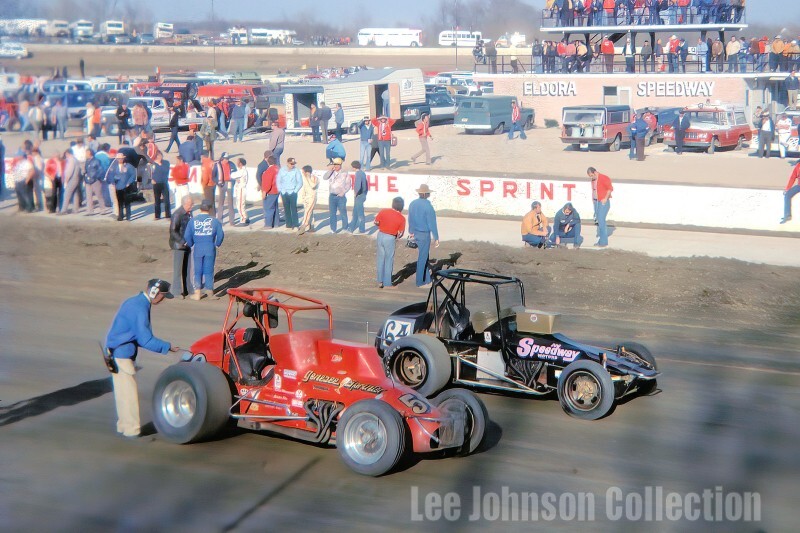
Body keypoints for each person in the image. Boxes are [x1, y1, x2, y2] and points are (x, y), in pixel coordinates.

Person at [104, 279, 179, 438]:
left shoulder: (133, 301)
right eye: (163, 296)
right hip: (123, 354)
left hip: (114, 352)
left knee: (122, 392)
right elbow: (145, 340)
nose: (163, 299)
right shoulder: (140, 308)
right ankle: (131, 429)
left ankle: (124, 425)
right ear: (155, 292)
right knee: (129, 394)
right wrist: (167, 347)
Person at [184, 200, 224, 300]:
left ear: (200, 208)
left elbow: (187, 235)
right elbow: (221, 234)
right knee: (209, 270)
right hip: (210, 248)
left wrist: (191, 243)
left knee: (198, 271)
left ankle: (197, 293)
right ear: (209, 209)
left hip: (198, 248)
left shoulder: (193, 221)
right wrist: (217, 244)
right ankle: (210, 292)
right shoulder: (214, 221)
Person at [408, 184, 439, 288]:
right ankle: (420, 282)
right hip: (424, 234)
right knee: (422, 258)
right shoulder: (428, 206)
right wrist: (436, 237)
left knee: (424, 256)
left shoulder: (413, 204)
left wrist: (411, 231)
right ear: (426, 194)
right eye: (429, 193)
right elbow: (432, 223)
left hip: (415, 233)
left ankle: (427, 279)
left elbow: (410, 219)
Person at [374, 197, 406, 289]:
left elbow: (376, 222)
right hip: (390, 237)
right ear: (401, 207)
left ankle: (379, 281)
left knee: (380, 259)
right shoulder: (402, 218)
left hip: (380, 235)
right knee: (389, 260)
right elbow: (400, 233)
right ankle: (387, 283)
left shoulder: (384, 211)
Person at [170, 195, 194, 298]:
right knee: (178, 269)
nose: (192, 206)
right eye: (191, 204)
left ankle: (188, 289)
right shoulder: (177, 214)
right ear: (185, 204)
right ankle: (176, 291)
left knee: (187, 268)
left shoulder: (188, 213)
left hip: (187, 244)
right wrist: (182, 241)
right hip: (179, 245)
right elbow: (173, 231)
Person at [324, 157, 351, 232]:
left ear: (340, 165)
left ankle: (345, 228)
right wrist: (330, 171)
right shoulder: (331, 172)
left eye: (337, 165)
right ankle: (333, 229)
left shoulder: (344, 174)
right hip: (332, 196)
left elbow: (348, 185)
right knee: (332, 214)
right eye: (334, 164)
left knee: (343, 213)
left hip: (340, 196)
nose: (335, 166)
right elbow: (324, 177)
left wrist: (343, 192)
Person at [107, 152, 137, 221]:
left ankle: (128, 216)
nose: (120, 160)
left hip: (126, 187)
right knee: (120, 202)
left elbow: (133, 175)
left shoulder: (128, 166)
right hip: (118, 186)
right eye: (118, 159)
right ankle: (120, 216)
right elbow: (111, 175)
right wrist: (113, 182)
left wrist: (129, 182)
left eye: (121, 158)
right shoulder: (114, 167)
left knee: (127, 202)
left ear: (123, 159)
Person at [587, 167, 612, 247]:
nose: (591, 177)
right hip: (596, 202)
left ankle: (603, 242)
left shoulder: (604, 178)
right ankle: (601, 240)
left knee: (601, 221)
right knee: (599, 220)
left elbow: (610, 188)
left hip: (603, 201)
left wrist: (605, 198)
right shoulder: (593, 180)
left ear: (595, 172)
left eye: (591, 175)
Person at [278, 157, 302, 230]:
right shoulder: (282, 170)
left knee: (293, 208)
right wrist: (281, 190)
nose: (292, 165)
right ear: (287, 163)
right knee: (286, 208)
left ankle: (295, 224)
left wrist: (295, 191)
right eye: (291, 164)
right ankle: (288, 224)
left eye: (293, 164)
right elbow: (278, 181)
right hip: (284, 192)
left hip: (292, 192)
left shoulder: (296, 171)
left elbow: (300, 182)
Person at [213, 152, 236, 225]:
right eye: (226, 158)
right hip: (221, 184)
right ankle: (220, 220)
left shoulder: (231, 164)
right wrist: (218, 183)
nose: (227, 160)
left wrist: (233, 182)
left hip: (229, 183)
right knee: (221, 202)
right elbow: (213, 176)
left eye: (228, 158)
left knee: (230, 203)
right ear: (222, 158)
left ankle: (232, 221)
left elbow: (235, 173)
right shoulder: (217, 165)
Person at [260, 155, 281, 228]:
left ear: (268, 162)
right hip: (277, 190)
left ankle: (268, 224)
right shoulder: (277, 169)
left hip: (271, 192)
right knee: (275, 208)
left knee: (268, 208)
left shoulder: (269, 171)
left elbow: (267, 183)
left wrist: (264, 192)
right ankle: (276, 223)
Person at [58, 150, 82, 215]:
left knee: (66, 194)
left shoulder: (71, 160)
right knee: (75, 194)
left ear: (68, 153)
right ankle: (75, 209)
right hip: (76, 178)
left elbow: (69, 171)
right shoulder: (76, 159)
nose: (66, 156)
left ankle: (63, 210)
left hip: (71, 179)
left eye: (66, 154)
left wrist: (66, 180)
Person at [347, 161, 368, 234]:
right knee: (355, 213)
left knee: (360, 214)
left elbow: (358, 186)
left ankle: (362, 230)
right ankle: (351, 228)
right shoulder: (362, 173)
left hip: (359, 196)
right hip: (363, 195)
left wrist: (355, 193)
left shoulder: (358, 174)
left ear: (354, 167)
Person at [150, 151, 171, 220]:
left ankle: (168, 215)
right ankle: (157, 215)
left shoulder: (166, 163)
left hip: (164, 183)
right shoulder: (152, 164)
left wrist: (160, 164)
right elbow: (149, 173)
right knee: (157, 200)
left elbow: (167, 170)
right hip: (156, 183)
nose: (160, 157)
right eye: (158, 156)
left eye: (161, 155)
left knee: (167, 200)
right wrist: (151, 179)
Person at [84, 149, 106, 216]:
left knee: (99, 195)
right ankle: (90, 211)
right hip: (88, 181)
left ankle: (102, 209)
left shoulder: (96, 161)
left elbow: (100, 170)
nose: (85, 155)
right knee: (88, 196)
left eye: (86, 153)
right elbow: (86, 170)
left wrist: (96, 178)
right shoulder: (87, 161)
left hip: (95, 181)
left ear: (90, 153)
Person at [299, 164, 318, 235]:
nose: (302, 173)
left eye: (303, 172)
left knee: (307, 211)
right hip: (306, 198)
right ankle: (311, 226)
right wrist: (303, 197)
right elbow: (304, 188)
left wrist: (308, 177)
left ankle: (304, 225)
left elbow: (313, 185)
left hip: (312, 197)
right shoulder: (304, 178)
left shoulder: (315, 178)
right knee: (310, 212)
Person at [232, 157, 250, 225]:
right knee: (241, 204)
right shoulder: (242, 170)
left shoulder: (242, 171)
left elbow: (233, 175)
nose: (236, 163)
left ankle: (243, 219)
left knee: (240, 205)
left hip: (241, 189)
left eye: (238, 162)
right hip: (241, 189)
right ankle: (245, 217)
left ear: (240, 163)